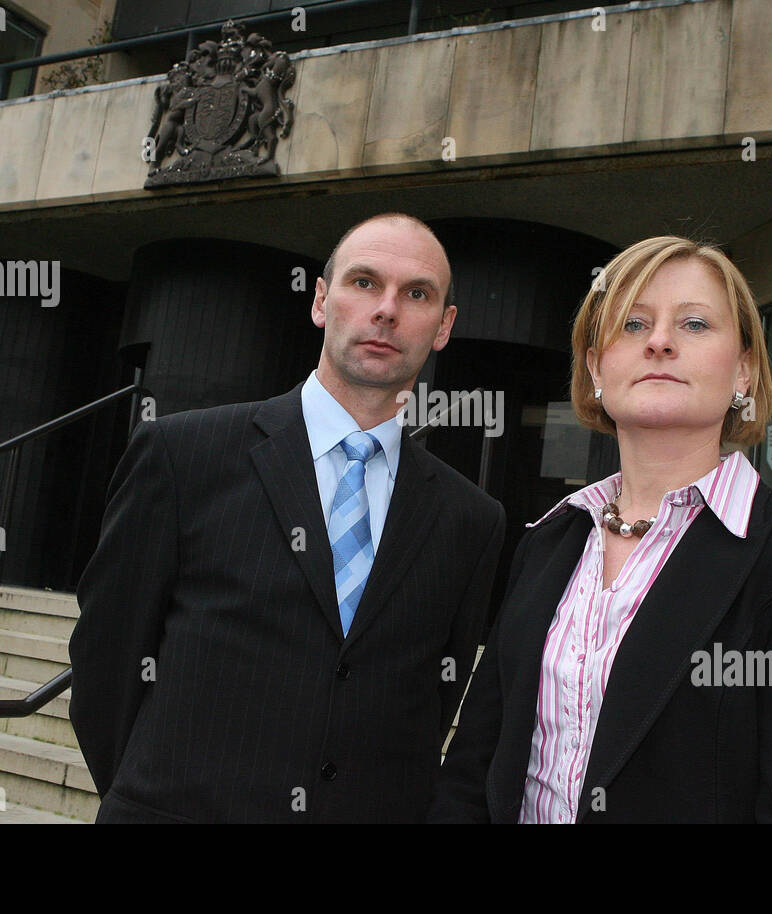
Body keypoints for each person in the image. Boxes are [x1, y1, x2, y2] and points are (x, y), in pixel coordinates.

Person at [70, 213, 506, 823]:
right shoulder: (181, 454)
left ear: (444, 327)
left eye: (417, 294)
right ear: (321, 302)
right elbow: (107, 661)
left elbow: (435, 703)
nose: (387, 310)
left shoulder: (471, 520)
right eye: (363, 282)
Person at [430, 236, 772, 823]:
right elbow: (475, 766)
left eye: (694, 324)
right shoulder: (548, 542)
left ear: (743, 369)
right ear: (596, 367)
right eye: (633, 324)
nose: (660, 341)